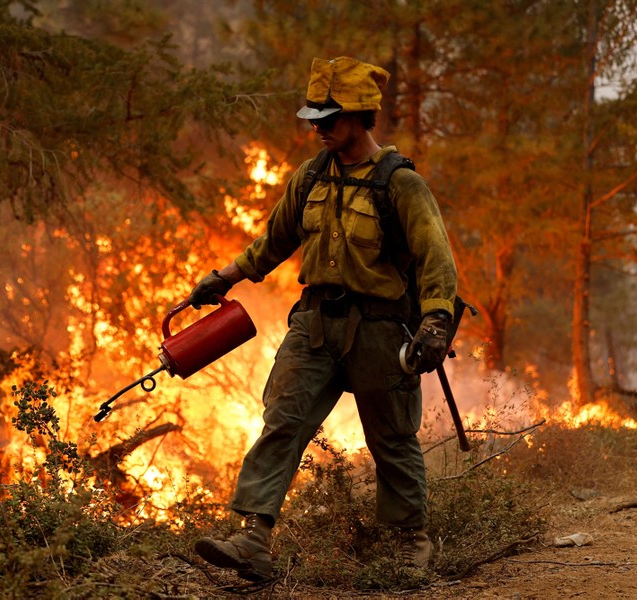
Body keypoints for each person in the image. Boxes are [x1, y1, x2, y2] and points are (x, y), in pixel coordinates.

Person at [188, 56, 458, 581]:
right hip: (314, 324)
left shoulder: (400, 185)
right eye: (313, 118)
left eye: (328, 119)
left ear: (358, 117)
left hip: (381, 331)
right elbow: (274, 242)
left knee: (392, 438)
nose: (318, 129)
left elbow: (435, 259)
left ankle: (409, 545)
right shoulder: (310, 177)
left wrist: (435, 323)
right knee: (282, 420)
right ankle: (253, 540)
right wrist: (223, 277)